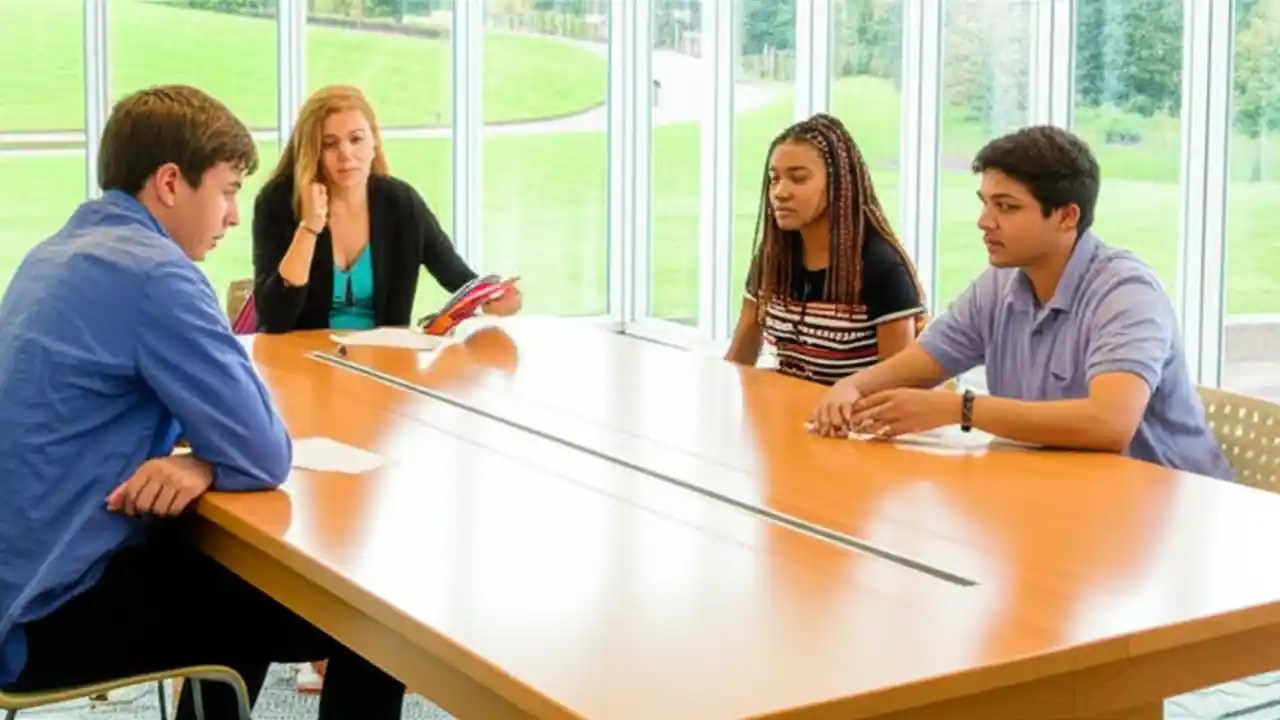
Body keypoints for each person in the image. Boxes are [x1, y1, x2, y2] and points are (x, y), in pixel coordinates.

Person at [0, 84, 406, 719]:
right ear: (168, 182)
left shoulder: (52, 253)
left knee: (222, 581)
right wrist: (215, 459)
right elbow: (266, 451)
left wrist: (197, 461)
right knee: (376, 620)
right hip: (51, 612)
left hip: (17, 582)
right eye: (226, 190)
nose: (234, 216)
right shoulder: (157, 274)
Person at [809, 125, 1233, 481]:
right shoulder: (1001, 283)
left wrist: (960, 408)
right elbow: (926, 360)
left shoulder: (1126, 293)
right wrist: (854, 386)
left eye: (1006, 207)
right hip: (1063, 492)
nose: (984, 221)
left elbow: (1109, 423)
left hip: (1165, 509)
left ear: (1067, 217)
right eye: (986, 204)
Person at [252, 84, 521, 333]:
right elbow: (274, 319)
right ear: (313, 151)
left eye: (356, 139)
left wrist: (493, 299)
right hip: (300, 367)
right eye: (330, 144)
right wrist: (309, 228)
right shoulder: (278, 202)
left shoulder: (401, 203)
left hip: (384, 366)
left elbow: (459, 280)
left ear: (374, 142)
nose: (346, 154)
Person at [725, 113, 927, 385]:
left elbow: (899, 386)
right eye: (774, 179)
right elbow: (739, 358)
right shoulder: (774, 257)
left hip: (851, 422)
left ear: (838, 185)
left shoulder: (881, 266)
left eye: (798, 178)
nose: (780, 192)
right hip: (785, 416)